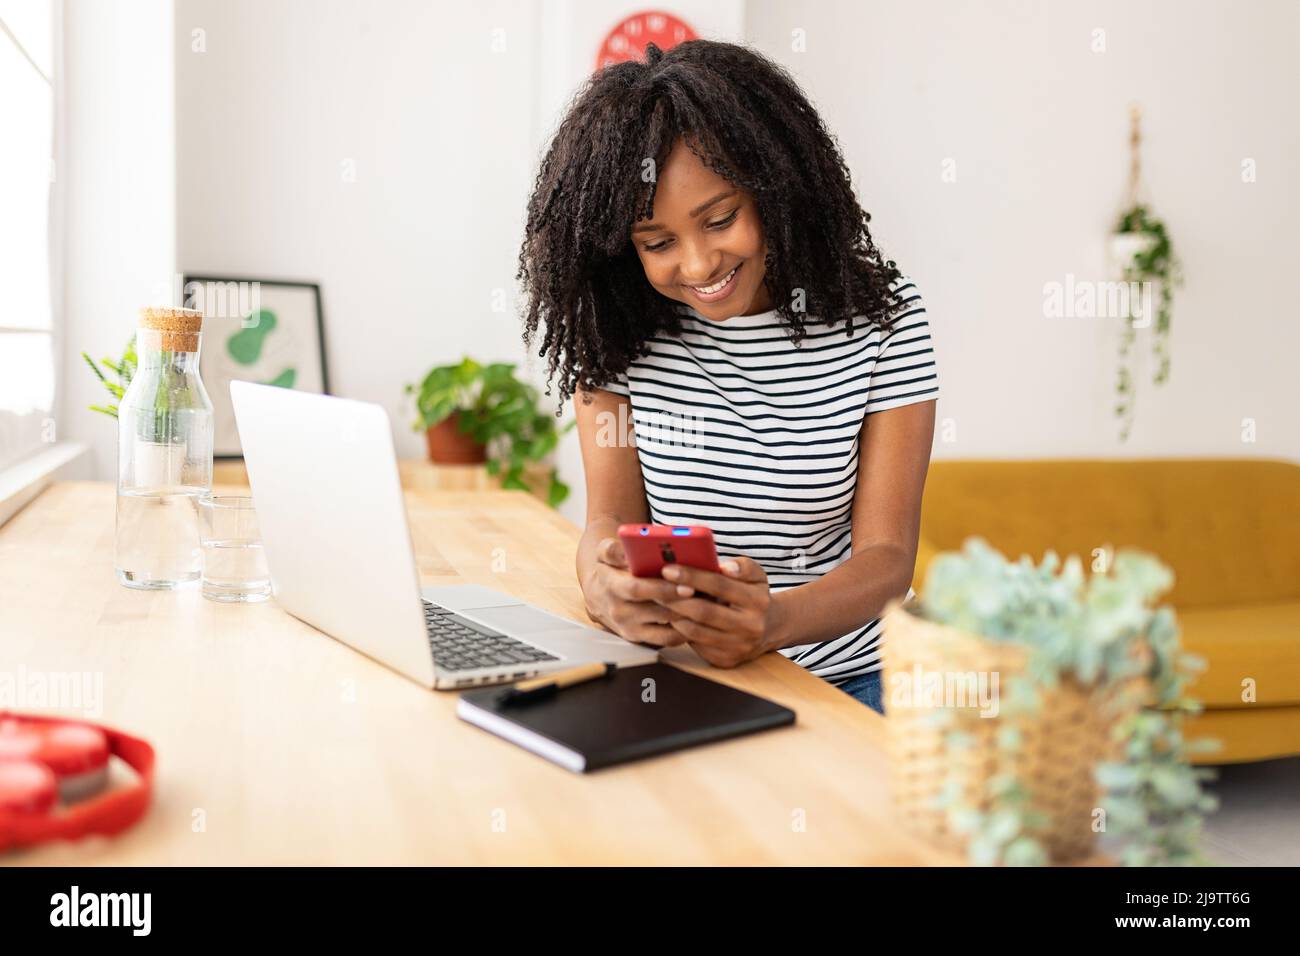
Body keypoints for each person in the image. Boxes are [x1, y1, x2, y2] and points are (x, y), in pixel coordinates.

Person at [517, 40, 938, 714]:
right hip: (686, 672)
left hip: (855, 678)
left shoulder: (884, 321)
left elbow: (888, 556)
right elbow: (611, 519)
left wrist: (772, 621)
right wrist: (603, 590)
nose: (699, 264)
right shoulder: (620, 329)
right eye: (657, 243)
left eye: (720, 220)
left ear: (778, 187)